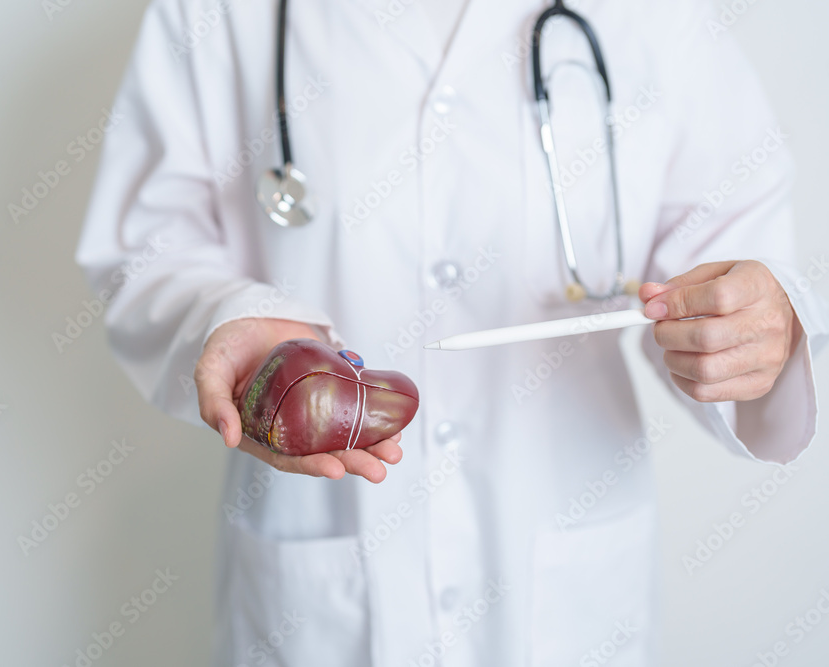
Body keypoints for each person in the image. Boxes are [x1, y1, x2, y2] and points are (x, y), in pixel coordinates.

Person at [75, 0, 829, 665]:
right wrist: (227, 315)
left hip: (565, 583)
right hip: (318, 585)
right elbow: (147, 247)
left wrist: (754, 326)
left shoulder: (657, 13)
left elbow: (731, 255)